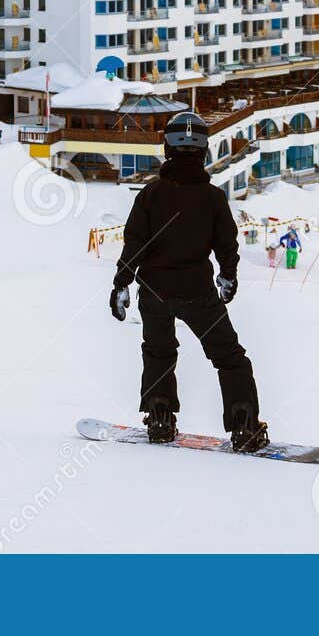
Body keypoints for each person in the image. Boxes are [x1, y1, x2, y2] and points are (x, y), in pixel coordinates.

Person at [112, 110, 268, 453]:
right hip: (197, 292)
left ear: (167, 148)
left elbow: (135, 241)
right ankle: (244, 424)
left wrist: (122, 283)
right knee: (229, 357)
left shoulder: (151, 195)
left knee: (158, 352)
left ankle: (160, 415)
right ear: (204, 151)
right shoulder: (211, 198)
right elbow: (226, 244)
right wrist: (228, 275)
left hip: (154, 290)